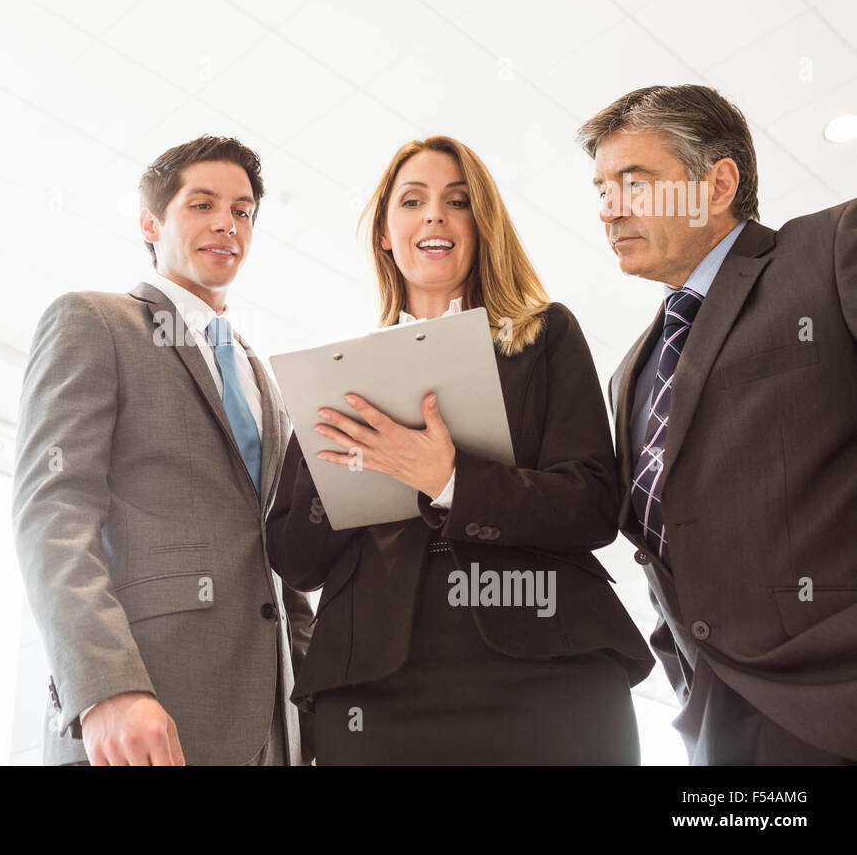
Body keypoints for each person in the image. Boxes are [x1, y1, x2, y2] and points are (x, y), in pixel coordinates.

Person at [266, 136, 653, 765]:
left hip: (546, 666)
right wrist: (335, 452)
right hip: (374, 685)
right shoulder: (337, 378)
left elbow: (592, 503)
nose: (434, 216)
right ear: (386, 235)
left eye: (457, 201)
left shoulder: (544, 336)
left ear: (481, 225)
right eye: (412, 201)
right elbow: (296, 559)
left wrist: (450, 479)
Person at [12, 136, 313, 765]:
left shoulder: (265, 379)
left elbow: (277, 562)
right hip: (143, 714)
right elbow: (53, 514)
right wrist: (106, 687)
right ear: (151, 222)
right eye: (202, 204)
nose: (225, 224)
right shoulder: (94, 322)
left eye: (242, 211)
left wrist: (312, 705)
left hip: (272, 728)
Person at [579, 84, 857, 765]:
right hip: (718, 727)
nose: (609, 209)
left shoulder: (830, 251)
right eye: (602, 189)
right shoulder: (627, 377)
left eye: (634, 182)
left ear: (718, 182)